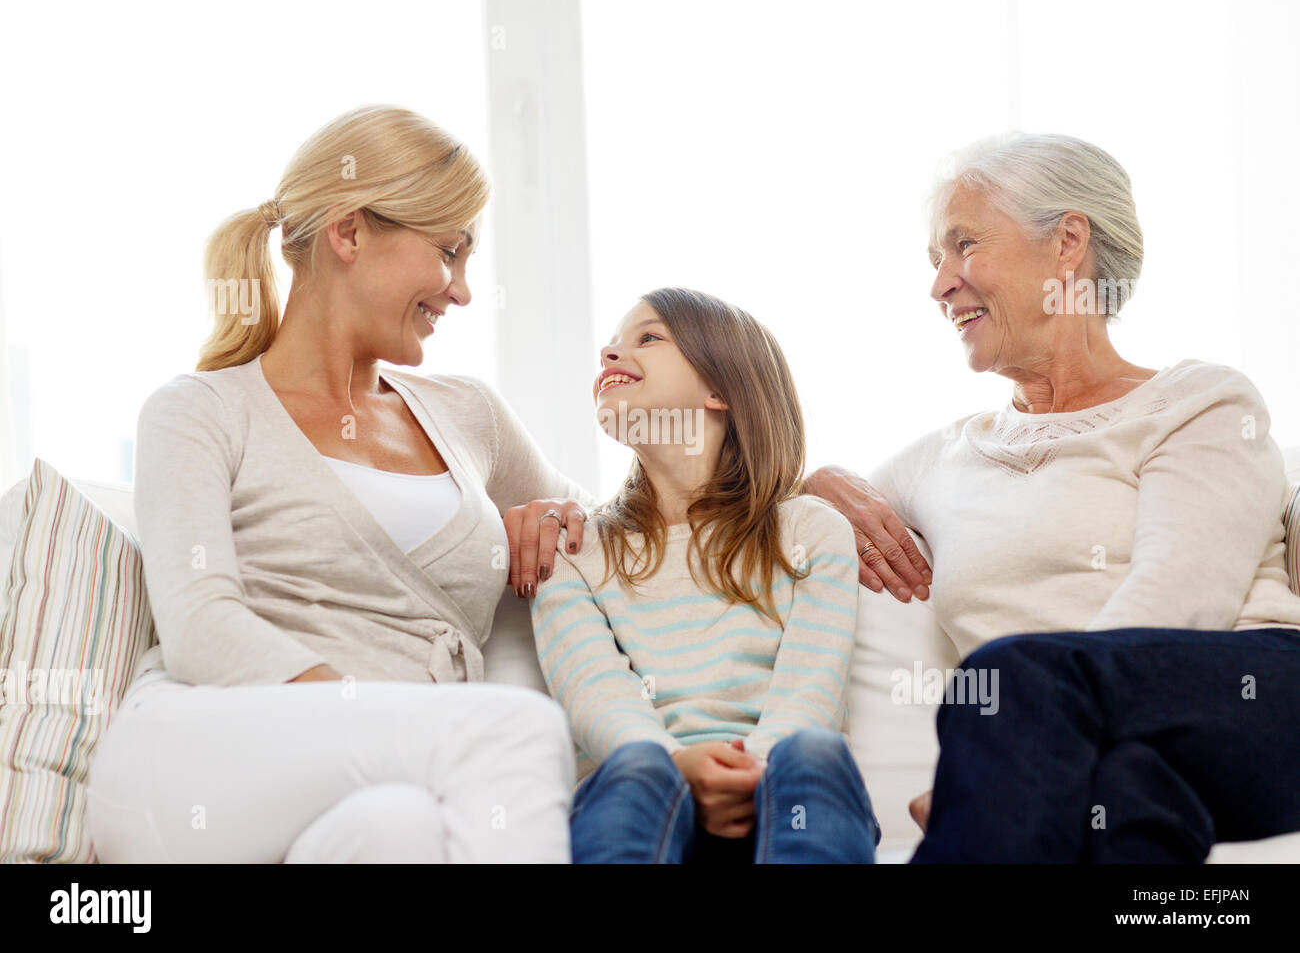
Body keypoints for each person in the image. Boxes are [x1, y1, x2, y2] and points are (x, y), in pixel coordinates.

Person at [85, 105, 599, 863]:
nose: (459, 291)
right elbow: (200, 627)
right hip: (198, 754)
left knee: (402, 832)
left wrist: (568, 516)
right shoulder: (198, 412)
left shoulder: (470, 416)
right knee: (516, 729)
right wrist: (378, 714)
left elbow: (624, 524)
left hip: (381, 778)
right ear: (350, 232)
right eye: (448, 252)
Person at [802, 132, 1300, 862]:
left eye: (963, 244)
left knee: (1012, 677)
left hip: (1254, 699)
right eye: (935, 260)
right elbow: (780, 517)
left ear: (1068, 241)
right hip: (1100, 752)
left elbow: (1178, 598)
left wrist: (1004, 757)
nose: (939, 283)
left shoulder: (1201, 402)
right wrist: (820, 480)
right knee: (1125, 799)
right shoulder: (939, 459)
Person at [529, 288, 880, 863]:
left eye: (647, 338)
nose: (609, 356)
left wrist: (751, 768)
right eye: (611, 346)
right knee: (635, 767)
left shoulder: (810, 530)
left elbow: (808, 691)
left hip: (780, 796)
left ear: (721, 389)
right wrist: (676, 765)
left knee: (814, 751)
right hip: (653, 801)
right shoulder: (571, 549)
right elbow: (598, 696)